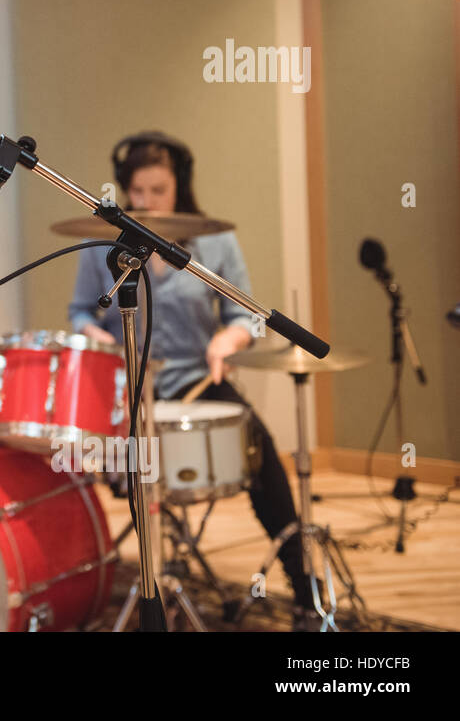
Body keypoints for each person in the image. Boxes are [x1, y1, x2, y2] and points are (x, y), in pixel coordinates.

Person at [67, 132, 319, 627]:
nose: (146, 201)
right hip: (130, 385)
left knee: (262, 456)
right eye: (137, 191)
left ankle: (301, 579)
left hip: (196, 383)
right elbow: (80, 311)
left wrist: (228, 340)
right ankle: (150, 584)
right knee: (137, 468)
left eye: (158, 190)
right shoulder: (101, 242)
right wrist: (91, 336)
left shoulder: (214, 241)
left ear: (178, 187)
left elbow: (247, 316)